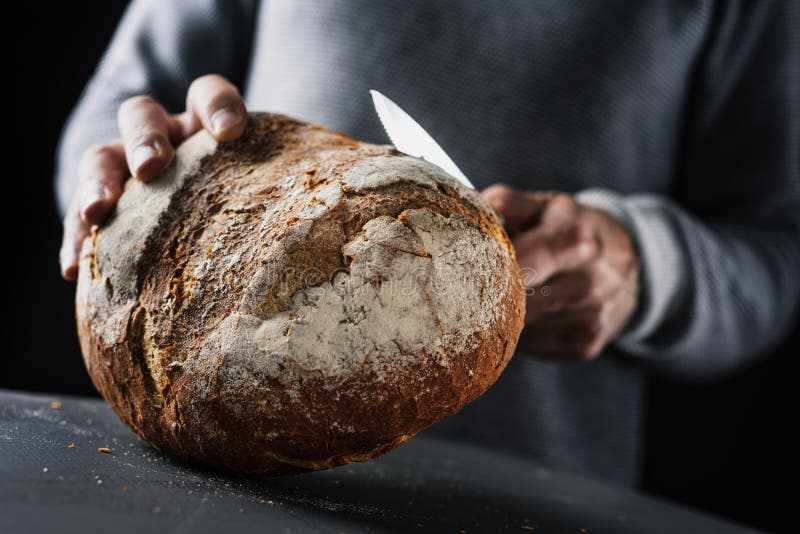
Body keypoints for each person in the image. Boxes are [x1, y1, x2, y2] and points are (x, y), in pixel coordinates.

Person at [57, 0, 799, 486]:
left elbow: (778, 253)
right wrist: (145, 179)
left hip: (535, 497)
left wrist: (651, 268)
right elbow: (112, 110)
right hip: (224, 487)